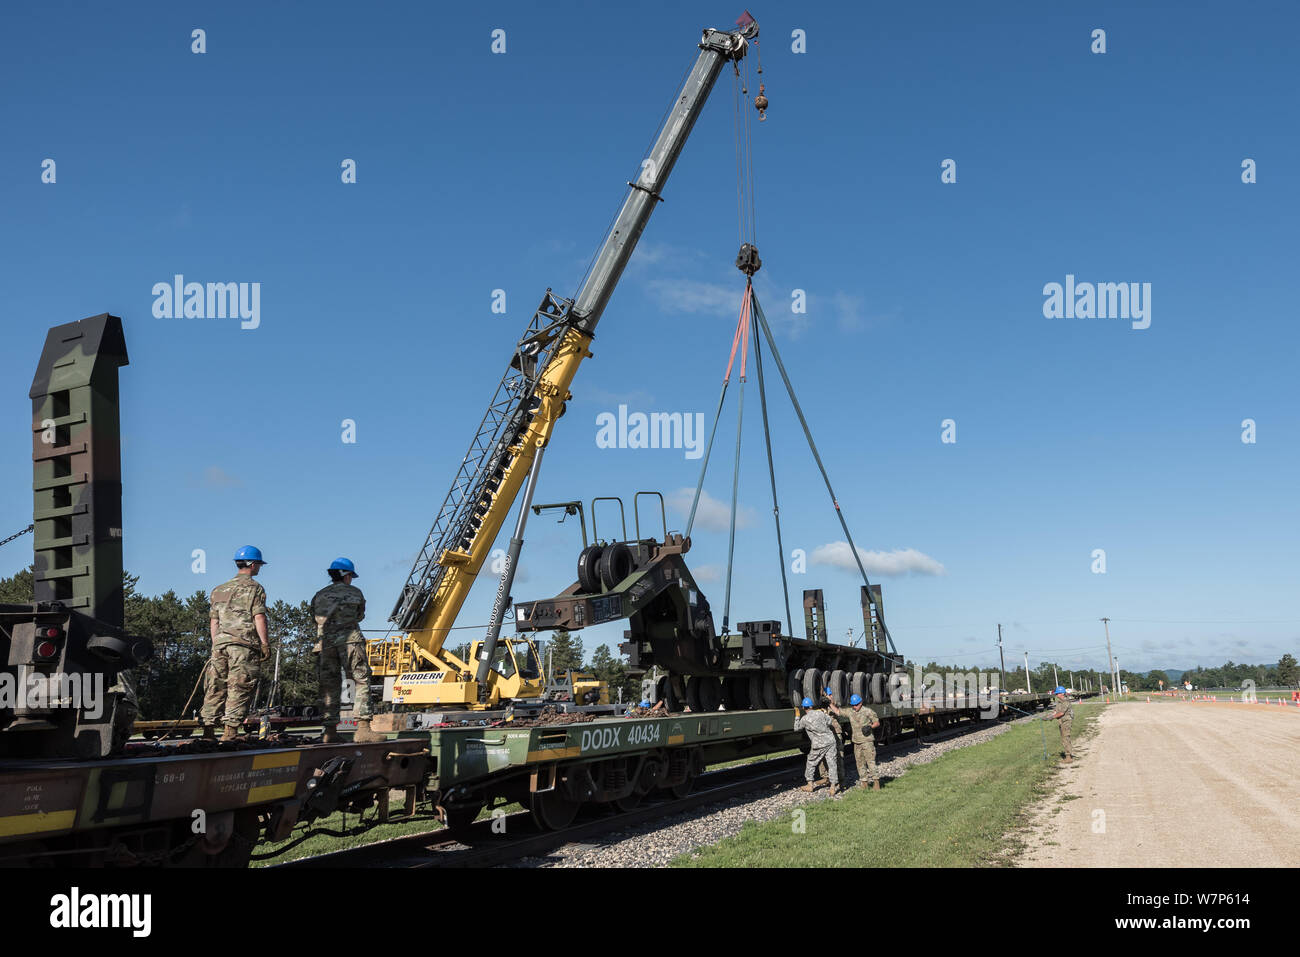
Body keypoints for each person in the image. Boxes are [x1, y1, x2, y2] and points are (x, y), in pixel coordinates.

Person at [202, 546, 270, 742]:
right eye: (258, 564)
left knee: (215, 686)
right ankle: (229, 732)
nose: (259, 568)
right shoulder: (254, 588)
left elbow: (213, 622)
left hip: (220, 645)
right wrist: (264, 643)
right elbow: (259, 617)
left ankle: (208, 731)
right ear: (252, 564)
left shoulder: (218, 589)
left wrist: (216, 646)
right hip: (243, 645)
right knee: (238, 687)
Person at [312, 557, 382, 743]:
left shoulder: (319, 595)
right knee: (360, 680)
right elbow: (359, 615)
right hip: (351, 642)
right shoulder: (355, 593)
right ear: (347, 575)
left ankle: (329, 732)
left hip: (325, 644)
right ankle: (363, 729)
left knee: (329, 685)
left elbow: (315, 616)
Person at [794, 696, 841, 796]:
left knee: (811, 762)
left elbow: (796, 728)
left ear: (803, 708)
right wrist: (824, 714)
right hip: (830, 741)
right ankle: (833, 787)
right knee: (832, 763)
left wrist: (797, 716)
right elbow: (829, 722)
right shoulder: (820, 713)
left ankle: (810, 785)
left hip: (818, 744)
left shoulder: (804, 719)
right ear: (811, 706)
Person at [846, 693, 882, 789]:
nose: (854, 706)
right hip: (857, 742)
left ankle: (876, 783)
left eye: (856, 704)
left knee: (870, 762)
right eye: (853, 705)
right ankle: (864, 783)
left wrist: (870, 727)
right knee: (860, 763)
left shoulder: (868, 711)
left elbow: (877, 723)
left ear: (861, 703)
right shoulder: (851, 712)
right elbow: (838, 711)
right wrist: (830, 704)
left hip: (867, 741)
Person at [1049, 685, 1074, 762]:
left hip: (1066, 722)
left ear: (1061, 693)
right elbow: (1056, 711)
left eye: (1057, 693)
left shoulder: (1065, 702)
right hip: (1061, 722)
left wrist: (1052, 717)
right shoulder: (1059, 702)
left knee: (1066, 738)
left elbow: (1061, 713)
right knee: (1064, 738)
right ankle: (1068, 756)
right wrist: (1049, 716)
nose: (1056, 695)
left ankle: (1068, 757)